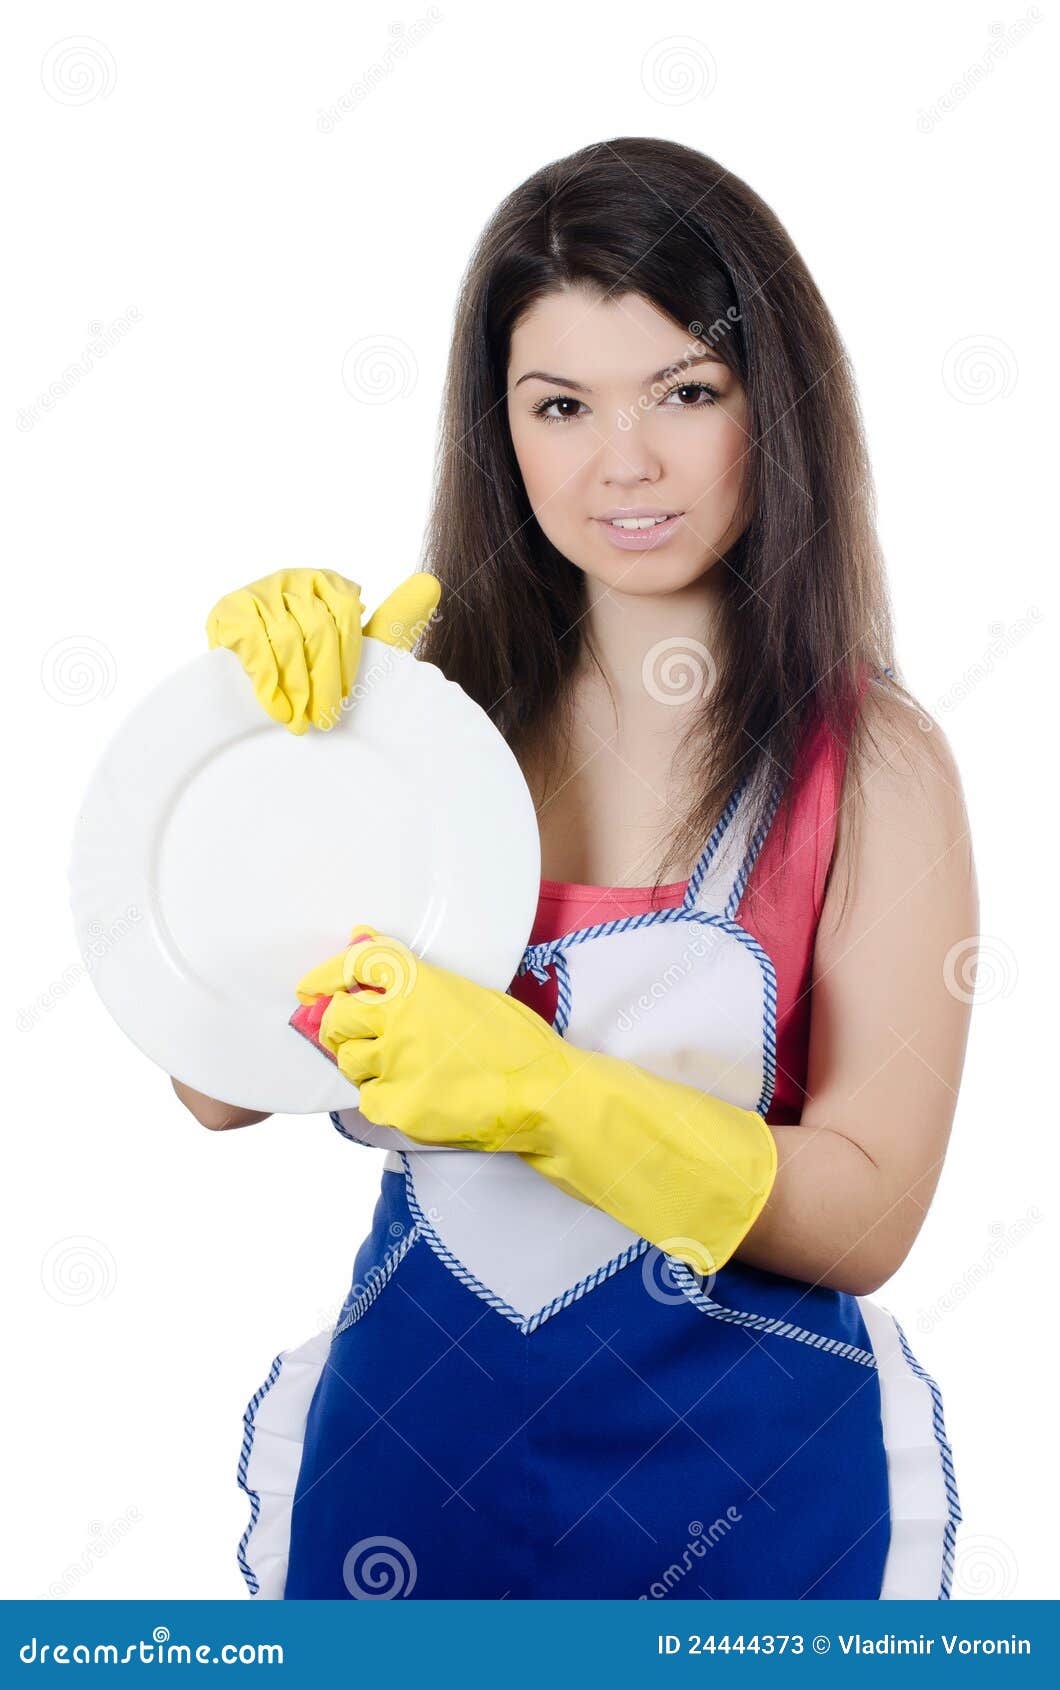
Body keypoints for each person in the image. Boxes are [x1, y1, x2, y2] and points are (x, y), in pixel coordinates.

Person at [176, 137, 978, 1601]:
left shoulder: (873, 766)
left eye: (686, 391)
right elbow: (217, 1082)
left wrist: (547, 1093)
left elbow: (871, 1214)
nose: (624, 462)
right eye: (561, 405)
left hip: (754, 1522)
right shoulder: (416, 718)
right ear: (501, 430)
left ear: (774, 408)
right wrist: (260, 761)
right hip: (410, 1493)